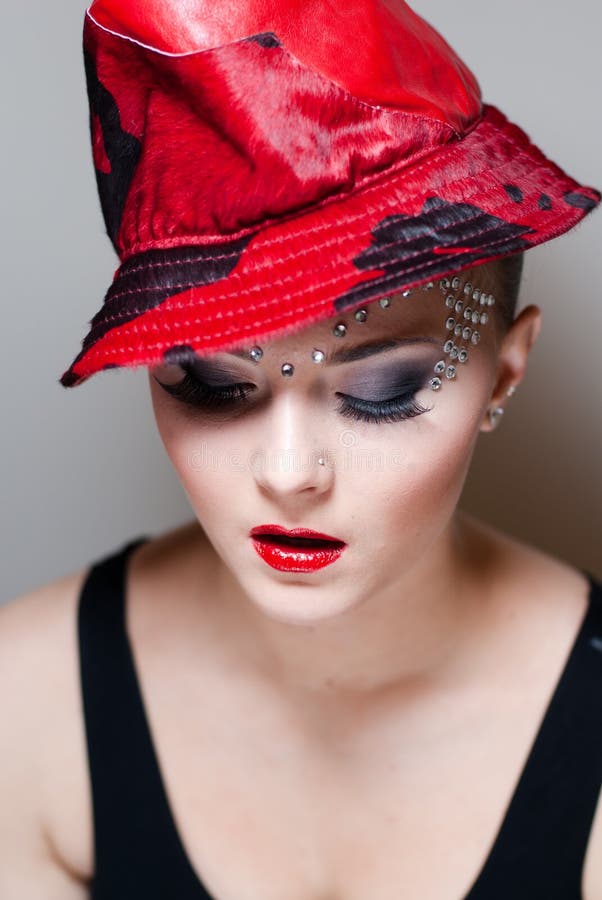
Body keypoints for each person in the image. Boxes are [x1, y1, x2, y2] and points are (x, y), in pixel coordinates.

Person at [1, 0, 600, 897]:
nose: (287, 474)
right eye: (211, 384)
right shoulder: (23, 706)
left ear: (506, 373)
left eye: (380, 389)